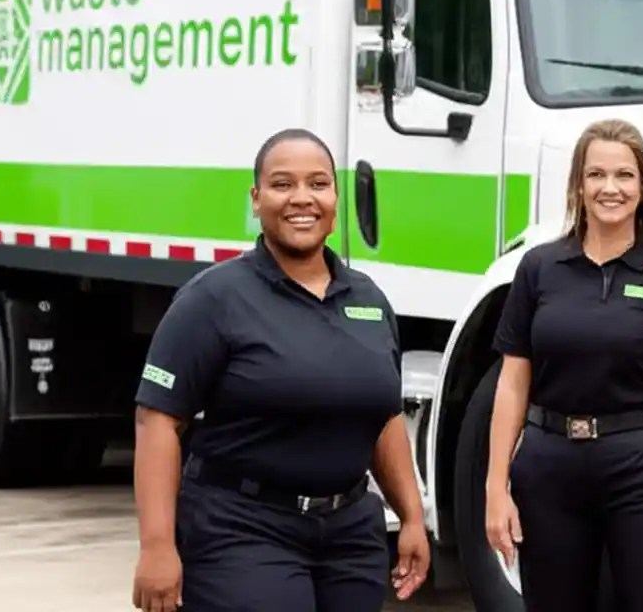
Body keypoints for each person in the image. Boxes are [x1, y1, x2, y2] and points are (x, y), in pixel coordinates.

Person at [130, 128, 430, 612]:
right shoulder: (213, 298)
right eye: (282, 184)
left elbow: (383, 418)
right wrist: (157, 547)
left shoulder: (370, 301)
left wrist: (411, 517)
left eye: (318, 184)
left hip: (350, 534)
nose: (302, 199)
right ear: (256, 199)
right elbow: (159, 419)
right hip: (243, 529)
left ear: (336, 197)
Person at [484, 119, 643, 611]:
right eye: (596, 175)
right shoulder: (538, 269)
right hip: (549, 470)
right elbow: (512, 383)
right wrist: (494, 487)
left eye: (624, 176)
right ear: (578, 184)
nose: (610, 188)